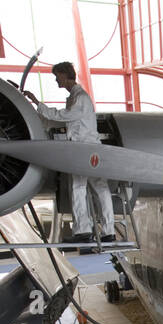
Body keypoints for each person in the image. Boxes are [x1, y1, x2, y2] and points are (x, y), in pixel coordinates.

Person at [22, 62, 114, 244]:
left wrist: (37, 103)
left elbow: (64, 116)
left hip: (84, 149)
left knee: (79, 187)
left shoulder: (80, 98)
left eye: (57, 76)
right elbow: (67, 120)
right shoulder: (76, 97)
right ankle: (107, 231)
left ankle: (83, 231)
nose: (56, 80)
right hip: (89, 149)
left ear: (65, 75)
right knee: (99, 188)